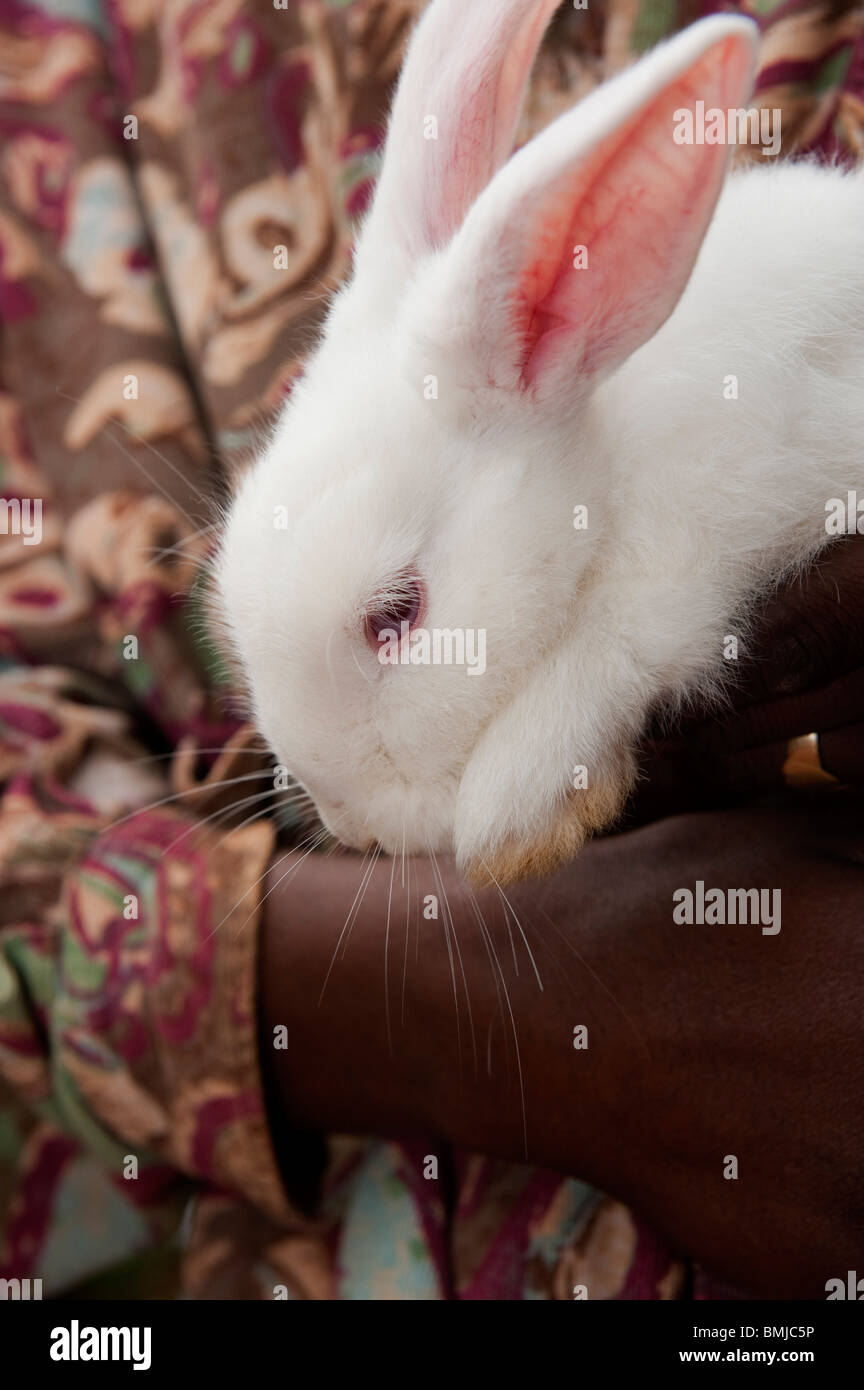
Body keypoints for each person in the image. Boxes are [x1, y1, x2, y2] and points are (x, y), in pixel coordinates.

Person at [0, 0, 861, 1300]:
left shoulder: (638, 378)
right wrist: (456, 1005)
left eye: (396, 617)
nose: (322, 801)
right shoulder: (73, 71)